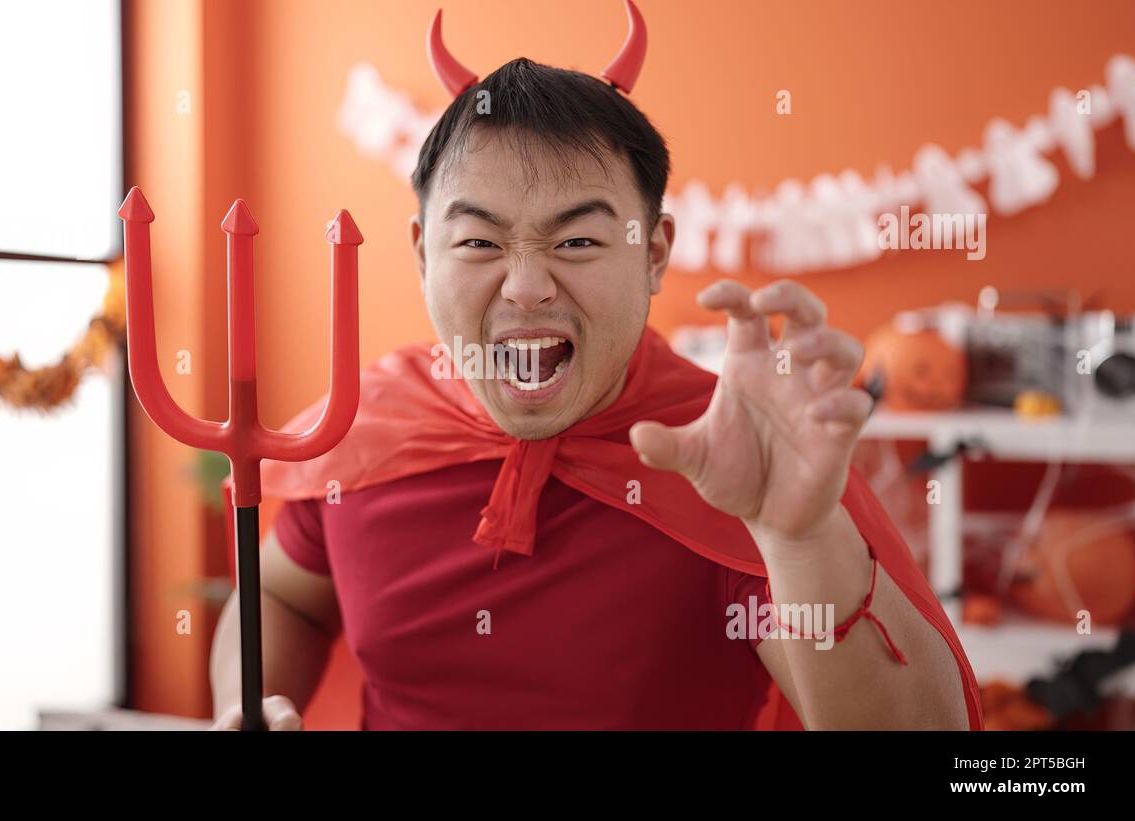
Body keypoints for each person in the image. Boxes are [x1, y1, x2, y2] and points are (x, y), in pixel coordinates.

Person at [210, 4, 981, 731]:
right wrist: (252, 699)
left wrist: (804, 540)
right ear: (421, 254)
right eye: (479, 242)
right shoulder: (373, 421)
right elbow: (284, 594)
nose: (527, 284)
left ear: (652, 253)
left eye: (576, 242)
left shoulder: (737, 454)